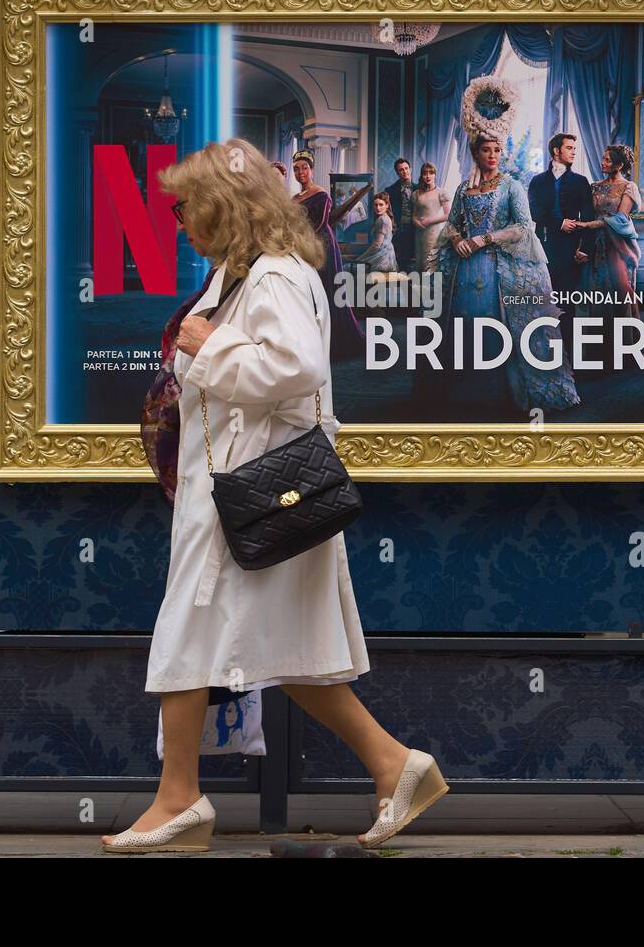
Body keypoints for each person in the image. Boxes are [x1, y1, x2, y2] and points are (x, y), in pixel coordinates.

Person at [108, 139, 448, 854]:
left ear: (224, 207)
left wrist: (208, 348)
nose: (177, 220)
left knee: (188, 635)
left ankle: (180, 800)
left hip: (254, 487)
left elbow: (296, 370)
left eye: (185, 205)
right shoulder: (236, 275)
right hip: (237, 486)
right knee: (280, 650)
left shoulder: (274, 277)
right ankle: (394, 765)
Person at [433, 126, 581, 415]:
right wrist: (458, 239)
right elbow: (451, 223)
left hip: (496, 269)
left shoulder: (511, 185)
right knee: (466, 325)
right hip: (465, 269)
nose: (492, 155)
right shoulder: (464, 188)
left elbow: (524, 227)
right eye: (486, 150)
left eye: (497, 150)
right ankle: (466, 389)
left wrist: (484, 238)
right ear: (475, 153)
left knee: (496, 324)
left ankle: (500, 392)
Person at [291, 149, 364, 360]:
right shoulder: (295, 198)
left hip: (321, 246)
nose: (300, 172)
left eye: (304, 168)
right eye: (296, 169)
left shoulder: (321, 194)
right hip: (302, 245)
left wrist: (302, 244)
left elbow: (320, 224)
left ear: (311, 170)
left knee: (326, 292)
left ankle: (334, 342)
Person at [527, 132, 592, 327]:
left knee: (567, 300)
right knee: (543, 297)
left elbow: (589, 217)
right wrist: (559, 223)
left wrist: (585, 249)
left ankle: (567, 349)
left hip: (570, 248)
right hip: (542, 247)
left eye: (574, 148)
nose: (574, 152)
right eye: (569, 148)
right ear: (556, 151)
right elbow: (534, 212)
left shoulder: (580, 181)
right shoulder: (537, 181)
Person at [579, 144, 643, 323]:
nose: (603, 162)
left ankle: (629, 344)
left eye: (608, 159)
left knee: (622, 291)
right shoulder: (594, 187)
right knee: (597, 292)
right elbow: (587, 213)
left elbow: (621, 220)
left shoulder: (628, 187)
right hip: (596, 245)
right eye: (603, 158)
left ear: (619, 165)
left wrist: (589, 225)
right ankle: (600, 348)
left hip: (617, 245)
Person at [411, 161, 450, 271]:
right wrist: (416, 221)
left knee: (431, 262)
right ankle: (419, 288)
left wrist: (429, 221)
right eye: (425, 173)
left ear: (435, 175)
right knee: (419, 261)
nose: (428, 176)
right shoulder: (416, 194)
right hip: (419, 232)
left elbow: (448, 215)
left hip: (433, 232)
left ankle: (434, 288)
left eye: (431, 173)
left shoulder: (441, 192)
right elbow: (414, 215)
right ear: (421, 176)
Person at [352, 191, 398, 272]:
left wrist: (361, 257)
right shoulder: (386, 217)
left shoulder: (382, 220)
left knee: (349, 267)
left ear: (387, 205)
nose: (378, 208)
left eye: (381, 204)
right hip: (388, 256)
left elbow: (377, 245)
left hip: (381, 258)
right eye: (375, 205)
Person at [384, 157, 416, 272]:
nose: (405, 171)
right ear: (397, 173)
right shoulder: (390, 190)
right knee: (399, 263)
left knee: (415, 264)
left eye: (406, 168)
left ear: (410, 169)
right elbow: (386, 212)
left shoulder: (419, 188)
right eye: (401, 170)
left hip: (416, 230)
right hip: (398, 230)